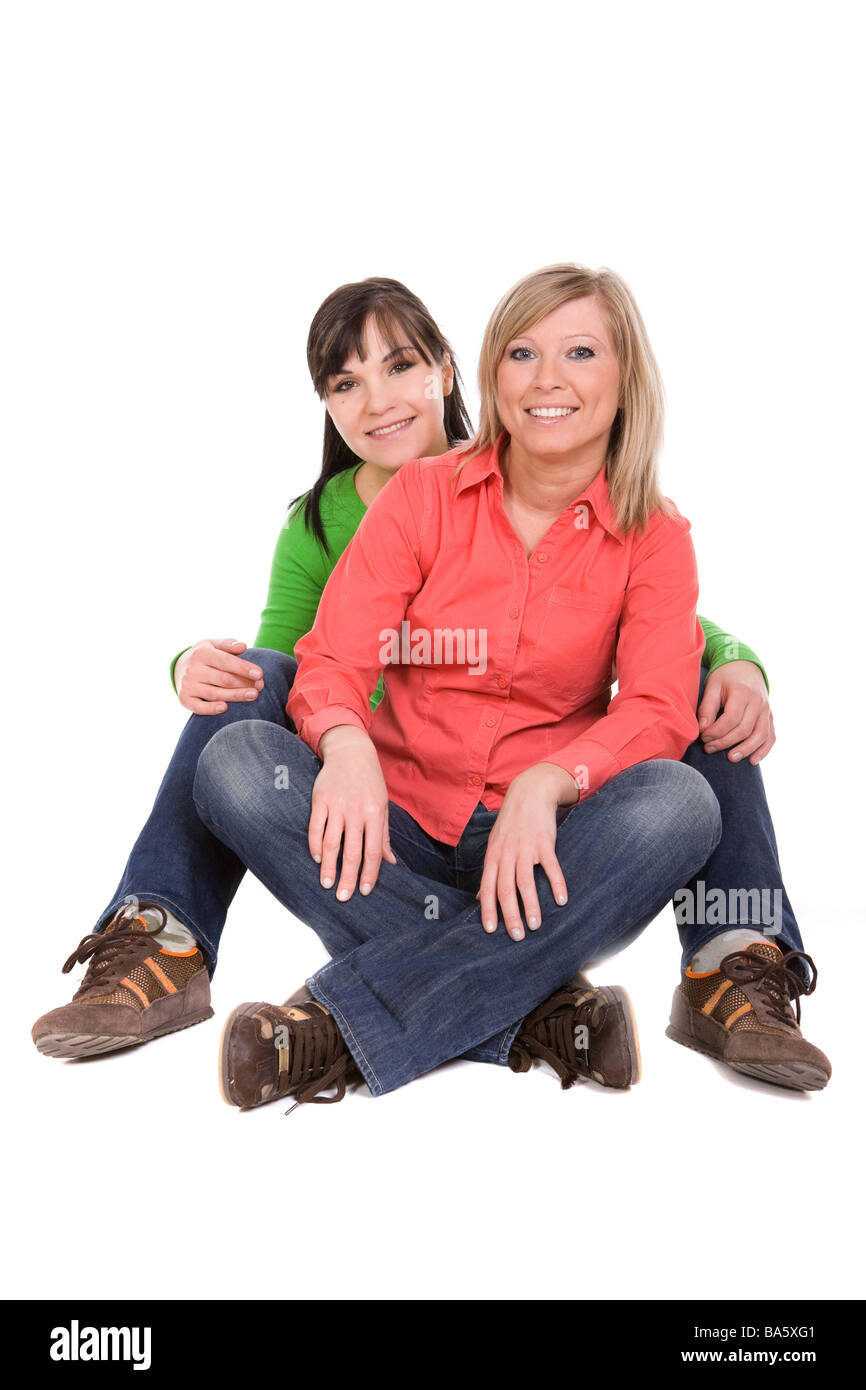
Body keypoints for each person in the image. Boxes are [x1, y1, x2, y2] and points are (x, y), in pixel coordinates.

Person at [32, 272, 828, 1098]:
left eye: (580, 353)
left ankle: (339, 1027)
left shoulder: (652, 533)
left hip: (541, 850)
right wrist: (340, 745)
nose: (547, 376)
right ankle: (528, 999)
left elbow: (663, 682)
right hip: (382, 831)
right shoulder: (395, 504)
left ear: (448, 372)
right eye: (524, 353)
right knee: (237, 754)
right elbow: (314, 663)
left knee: (683, 791)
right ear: (492, 373)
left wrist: (557, 777)